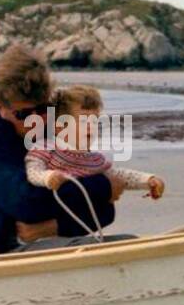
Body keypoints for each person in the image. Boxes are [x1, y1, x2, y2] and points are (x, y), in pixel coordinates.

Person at [0, 45, 124, 255]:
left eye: (42, 109)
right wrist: (103, 185)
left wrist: (54, 226)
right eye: (24, 114)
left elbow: (105, 211)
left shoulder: (50, 128)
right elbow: (26, 203)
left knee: (128, 243)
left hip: (44, 243)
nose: (36, 120)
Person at [25, 84, 166, 211]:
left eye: (94, 121)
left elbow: (117, 175)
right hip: (49, 215)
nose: (91, 126)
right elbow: (32, 170)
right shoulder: (46, 148)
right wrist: (47, 177)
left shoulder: (93, 160)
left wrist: (147, 180)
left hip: (80, 219)